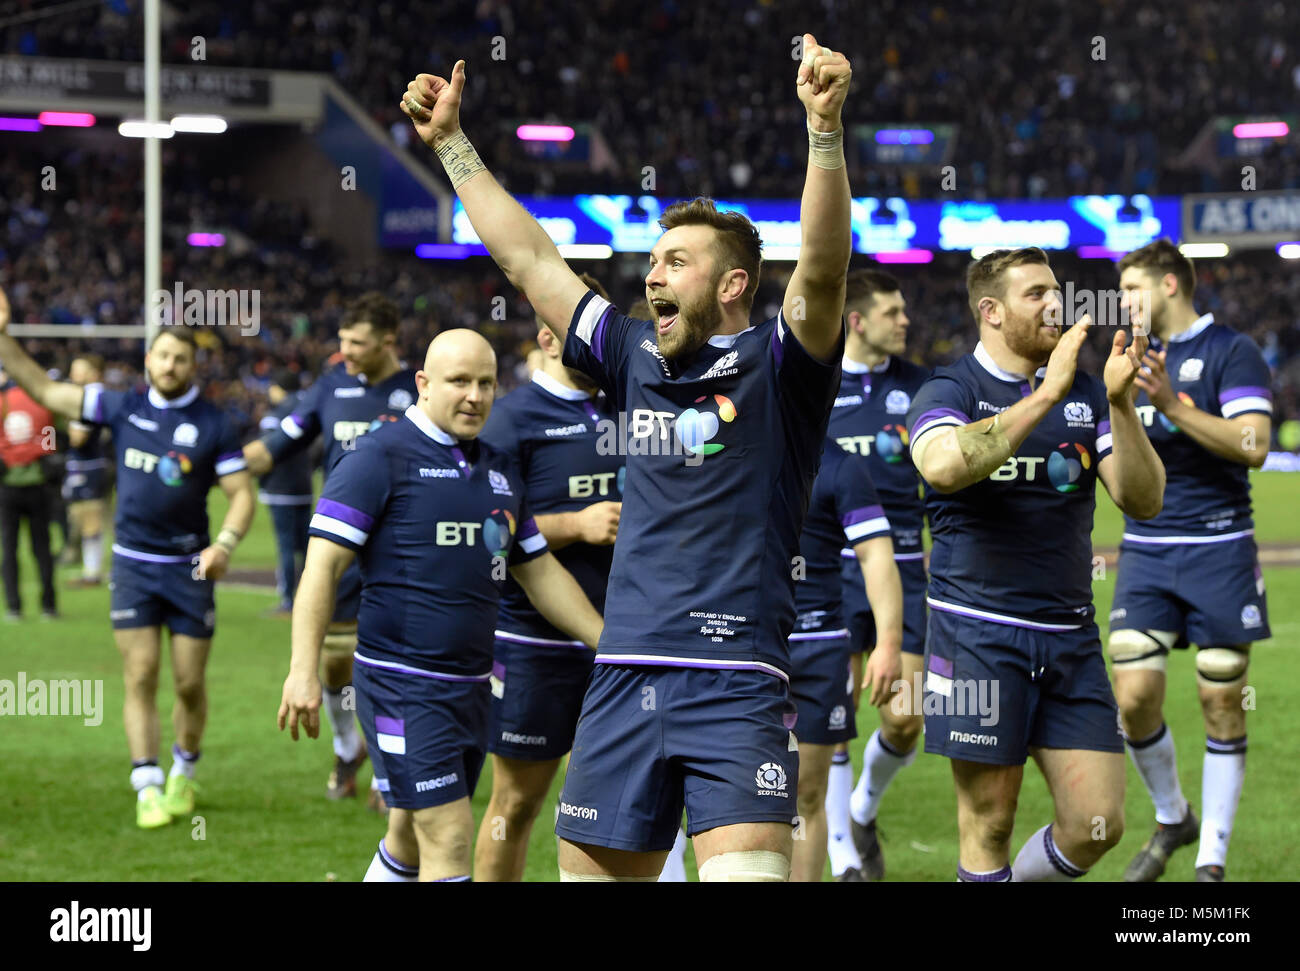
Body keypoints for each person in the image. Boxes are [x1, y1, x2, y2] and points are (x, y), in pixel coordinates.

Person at [401, 30, 853, 881]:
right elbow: (528, 256)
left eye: (676, 263)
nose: (652, 277)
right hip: (619, 679)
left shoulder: (781, 366)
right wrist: (453, 145)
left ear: (731, 286)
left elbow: (824, 271)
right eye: (651, 262)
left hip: (736, 680)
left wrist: (823, 131)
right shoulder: (634, 356)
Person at [278, 330, 604, 882]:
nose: (475, 396)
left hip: (473, 686)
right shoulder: (376, 457)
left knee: (407, 837)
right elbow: (321, 570)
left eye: (485, 383)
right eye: (459, 382)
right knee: (449, 835)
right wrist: (302, 671)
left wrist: (610, 644)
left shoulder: (501, 471)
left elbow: (541, 573)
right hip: (402, 683)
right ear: (423, 384)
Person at [905, 247, 1164, 881]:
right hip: (976, 634)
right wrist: (1044, 397)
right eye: (1037, 294)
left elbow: (1144, 499)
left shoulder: (1084, 391)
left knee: (1098, 822)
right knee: (990, 821)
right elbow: (942, 466)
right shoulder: (950, 388)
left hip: (1070, 637)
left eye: (1058, 290)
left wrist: (1122, 405)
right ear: (990, 311)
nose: (1057, 304)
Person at [0, 293, 255, 829]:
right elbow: (47, 389)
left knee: (188, 683)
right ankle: (147, 783)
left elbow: (240, 493)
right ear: (147, 361)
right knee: (140, 674)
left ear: (193, 367)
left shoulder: (214, 424)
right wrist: (3, 337)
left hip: (189, 568)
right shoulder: (123, 407)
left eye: (180, 359)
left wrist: (224, 545)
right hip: (134, 565)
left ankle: (184, 767)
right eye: (162, 355)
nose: (169, 365)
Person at [1108, 240, 1274, 883]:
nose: (1124, 303)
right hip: (1148, 549)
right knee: (1134, 695)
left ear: (1171, 285)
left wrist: (1175, 408)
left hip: (1219, 547)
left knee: (1221, 693)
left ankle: (1211, 864)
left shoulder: (1231, 350)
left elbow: (1255, 443)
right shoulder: (1129, 358)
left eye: (1132, 289)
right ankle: (1174, 815)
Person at [473, 273, 623, 882]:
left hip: (626, 637)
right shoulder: (508, 421)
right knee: (516, 802)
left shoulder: (628, 406)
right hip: (535, 641)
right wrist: (576, 525)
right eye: (579, 334)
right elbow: (489, 531)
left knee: (618, 804)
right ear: (547, 337)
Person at [244, 293, 419, 807]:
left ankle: (394, 771)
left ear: (389, 342)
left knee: (397, 665)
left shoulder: (418, 391)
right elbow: (277, 445)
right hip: (342, 553)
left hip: (404, 551)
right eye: (341, 340)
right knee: (336, 670)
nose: (345, 351)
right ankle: (348, 749)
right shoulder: (330, 387)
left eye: (357, 342)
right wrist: (215, 466)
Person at [825, 268, 932, 881]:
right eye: (892, 312)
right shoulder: (818, 382)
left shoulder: (924, 388)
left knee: (906, 715)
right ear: (858, 321)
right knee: (833, 716)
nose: (906, 320)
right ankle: (843, 855)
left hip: (907, 572)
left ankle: (863, 807)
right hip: (827, 572)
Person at [788, 440, 902, 882]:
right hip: (740, 648)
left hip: (817, 649)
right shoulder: (736, 447)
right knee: (730, 796)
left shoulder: (839, 465)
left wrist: (888, 641)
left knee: (806, 794)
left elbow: (875, 554)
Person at [0, 359, 58, 620]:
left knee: (9, 550)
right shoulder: (42, 405)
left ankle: (14, 607)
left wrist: (13, 455)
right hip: (37, 486)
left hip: (8, 486)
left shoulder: (3, 402)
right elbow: (50, 442)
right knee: (42, 549)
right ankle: (49, 605)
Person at [256, 369, 313, 615]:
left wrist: (262, 481)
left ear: (279, 388)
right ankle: (310, 595)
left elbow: (267, 453)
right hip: (304, 486)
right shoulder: (307, 410)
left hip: (280, 488)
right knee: (306, 546)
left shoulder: (274, 415)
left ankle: (288, 600)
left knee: (286, 546)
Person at [63, 354, 112, 588]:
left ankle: (92, 572)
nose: (73, 374)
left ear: (92, 373)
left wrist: (60, 417)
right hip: (88, 464)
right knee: (83, 519)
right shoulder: (91, 395)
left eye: (78, 369)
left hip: (89, 466)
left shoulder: (89, 398)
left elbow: (78, 438)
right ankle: (89, 569)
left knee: (90, 518)